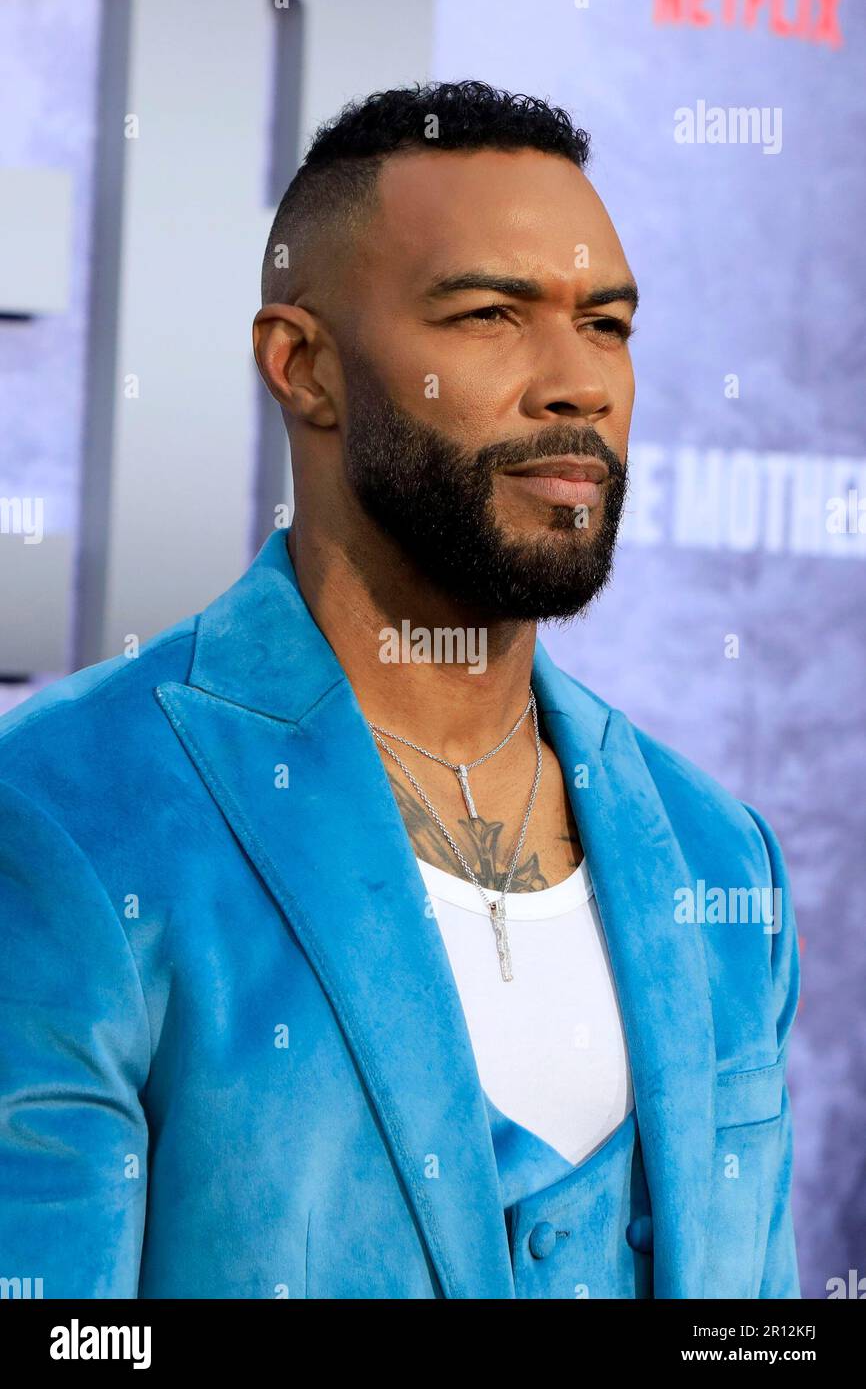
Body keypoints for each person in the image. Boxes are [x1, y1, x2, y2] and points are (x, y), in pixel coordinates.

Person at [0, 80, 799, 1299]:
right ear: (303, 366)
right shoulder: (65, 812)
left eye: (606, 322)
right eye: (489, 314)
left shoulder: (716, 857)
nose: (575, 381)